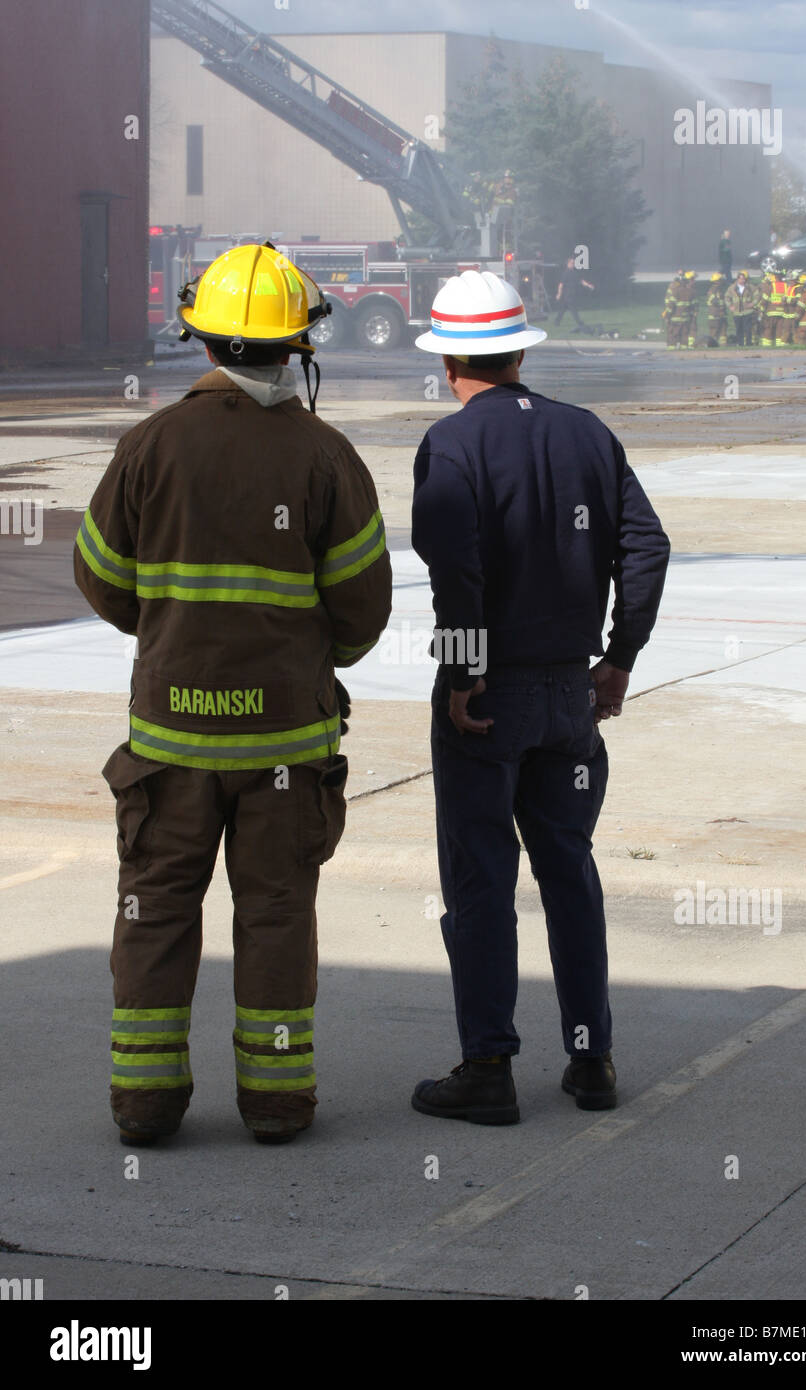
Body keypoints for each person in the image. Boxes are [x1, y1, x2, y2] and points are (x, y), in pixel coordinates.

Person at [74, 244, 392, 1146]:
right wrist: (307, 658)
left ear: (203, 338)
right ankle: (278, 1103)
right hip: (285, 747)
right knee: (278, 915)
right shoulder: (327, 458)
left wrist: (173, 633)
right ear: (298, 347)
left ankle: (144, 1103)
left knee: (156, 912)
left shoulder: (150, 445)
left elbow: (99, 577)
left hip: (169, 743)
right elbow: (365, 612)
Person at [410, 271, 670, 1122]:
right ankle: (591, 1062)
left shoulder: (452, 446)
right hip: (570, 697)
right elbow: (647, 548)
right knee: (570, 874)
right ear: (521, 350)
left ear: (449, 357)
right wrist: (619, 655)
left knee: (482, 881)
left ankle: (487, 1071)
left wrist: (462, 675)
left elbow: (459, 575)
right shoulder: (588, 433)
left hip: (491, 703)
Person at [554, 256, 595, 332]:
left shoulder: (575, 273)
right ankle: (580, 323)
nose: (573, 264)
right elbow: (561, 285)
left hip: (571, 294)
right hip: (567, 295)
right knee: (573, 309)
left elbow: (581, 281)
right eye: (572, 263)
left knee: (562, 309)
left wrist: (589, 285)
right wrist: (559, 294)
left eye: (574, 263)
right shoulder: (565, 273)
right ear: (568, 264)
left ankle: (556, 322)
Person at [725, 270, 757, 346]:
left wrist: (753, 304)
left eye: (744, 279)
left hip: (747, 311)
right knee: (739, 329)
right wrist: (730, 306)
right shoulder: (732, 288)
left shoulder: (750, 287)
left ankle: (748, 344)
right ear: (737, 279)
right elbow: (727, 297)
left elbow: (757, 295)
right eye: (741, 279)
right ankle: (740, 344)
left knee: (748, 329)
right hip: (737, 312)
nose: (743, 280)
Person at [705, 272, 728, 347]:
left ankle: (723, 346)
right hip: (715, 316)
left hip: (721, 315)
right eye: (721, 280)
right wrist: (721, 306)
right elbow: (713, 301)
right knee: (714, 332)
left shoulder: (719, 290)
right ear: (717, 281)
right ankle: (711, 347)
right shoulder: (712, 290)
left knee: (723, 332)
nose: (722, 281)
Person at [662, 268, 683, 348]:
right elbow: (671, 303)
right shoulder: (675, 289)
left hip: (671, 311)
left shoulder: (671, 288)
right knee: (672, 331)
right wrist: (668, 314)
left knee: (671, 331)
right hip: (672, 312)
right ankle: (671, 346)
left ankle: (671, 345)